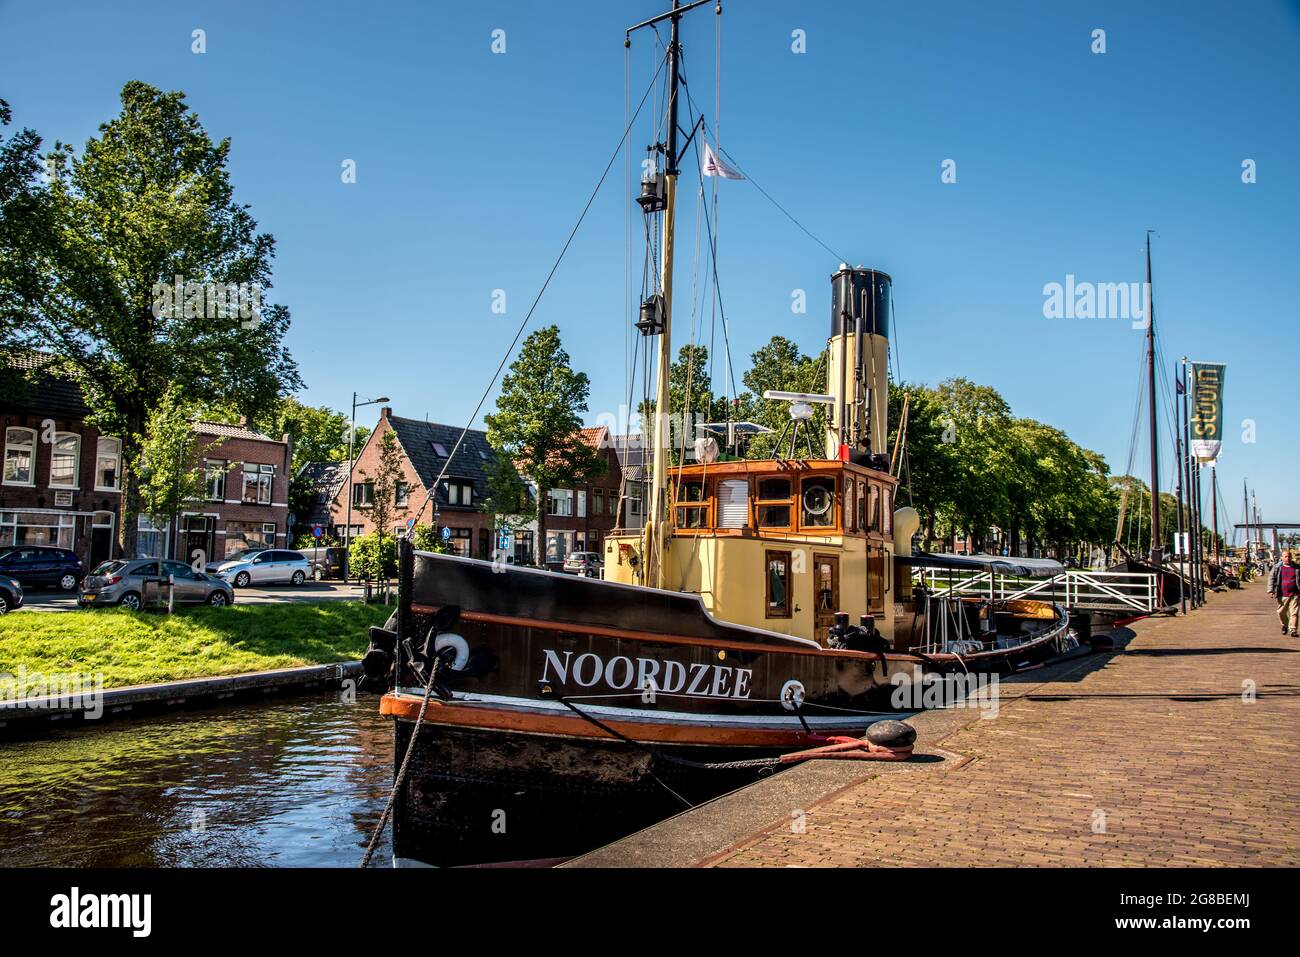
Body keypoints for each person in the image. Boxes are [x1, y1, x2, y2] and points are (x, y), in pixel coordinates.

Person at [1268, 550, 1300, 636]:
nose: (1288, 558)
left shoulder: (1297, 568)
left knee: (1294, 612)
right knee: (1281, 612)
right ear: (1281, 558)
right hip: (1282, 594)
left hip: (1295, 594)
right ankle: (1284, 625)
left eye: (1289, 556)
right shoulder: (1277, 568)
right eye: (1285, 557)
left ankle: (1293, 630)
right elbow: (1271, 578)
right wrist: (1270, 590)